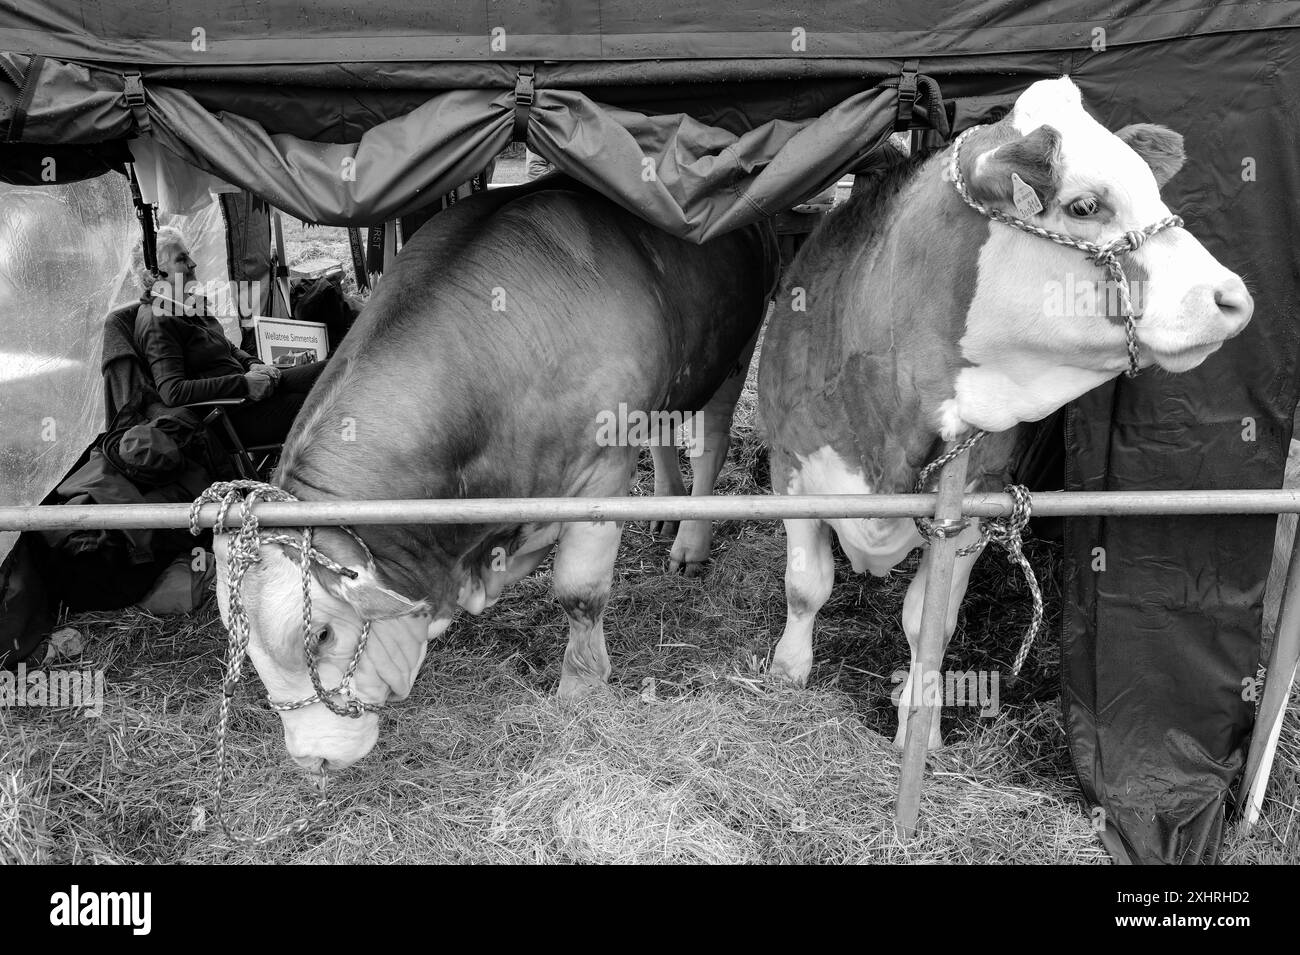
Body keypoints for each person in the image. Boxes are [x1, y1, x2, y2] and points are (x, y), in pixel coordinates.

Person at [133, 226, 327, 446]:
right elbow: (173, 391)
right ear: (155, 274)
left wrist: (253, 364)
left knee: (335, 369)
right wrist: (243, 385)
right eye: (182, 258)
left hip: (250, 394)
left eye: (189, 255)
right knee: (328, 404)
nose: (192, 263)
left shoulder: (186, 302)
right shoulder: (157, 321)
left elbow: (227, 347)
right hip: (231, 417)